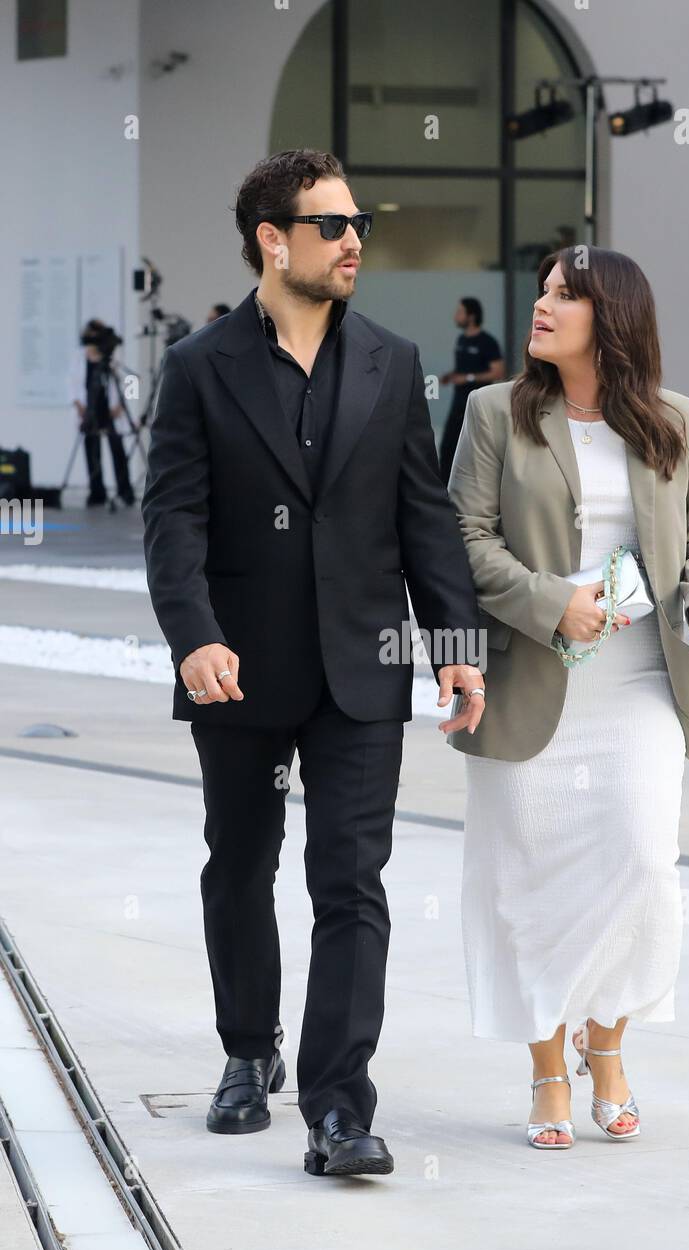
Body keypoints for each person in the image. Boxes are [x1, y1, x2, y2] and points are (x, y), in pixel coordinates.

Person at [141, 149, 485, 1178]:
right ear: (271, 239)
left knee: (351, 879)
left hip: (361, 671)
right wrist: (194, 634)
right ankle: (248, 1052)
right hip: (236, 669)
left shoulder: (389, 359)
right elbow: (172, 517)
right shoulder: (201, 366)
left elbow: (422, 517)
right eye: (332, 224)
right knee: (240, 865)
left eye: (357, 225)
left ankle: (339, 1106)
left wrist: (455, 648)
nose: (352, 242)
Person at [446, 246, 689, 1150]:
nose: (541, 306)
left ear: (610, 317)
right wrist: (551, 602)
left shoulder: (674, 419)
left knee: (646, 865)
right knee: (526, 880)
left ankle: (605, 1043)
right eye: (541, 292)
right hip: (532, 681)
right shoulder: (494, 410)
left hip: (640, 685)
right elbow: (462, 535)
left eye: (564, 295)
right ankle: (546, 1067)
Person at [438, 298, 504, 484]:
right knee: (448, 449)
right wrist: (451, 376)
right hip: (457, 404)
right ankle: (445, 497)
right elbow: (463, 370)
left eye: (460, 312)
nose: (456, 316)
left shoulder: (487, 342)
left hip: (478, 406)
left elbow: (498, 372)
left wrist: (468, 378)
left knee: (476, 452)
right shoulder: (461, 340)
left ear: (471, 316)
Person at [69, 319, 135, 506]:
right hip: (89, 410)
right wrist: (78, 405)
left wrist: (122, 405)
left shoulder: (113, 356)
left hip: (111, 410)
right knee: (92, 451)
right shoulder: (79, 356)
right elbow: (72, 383)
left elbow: (132, 380)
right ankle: (97, 491)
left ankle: (124, 490)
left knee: (117, 449)